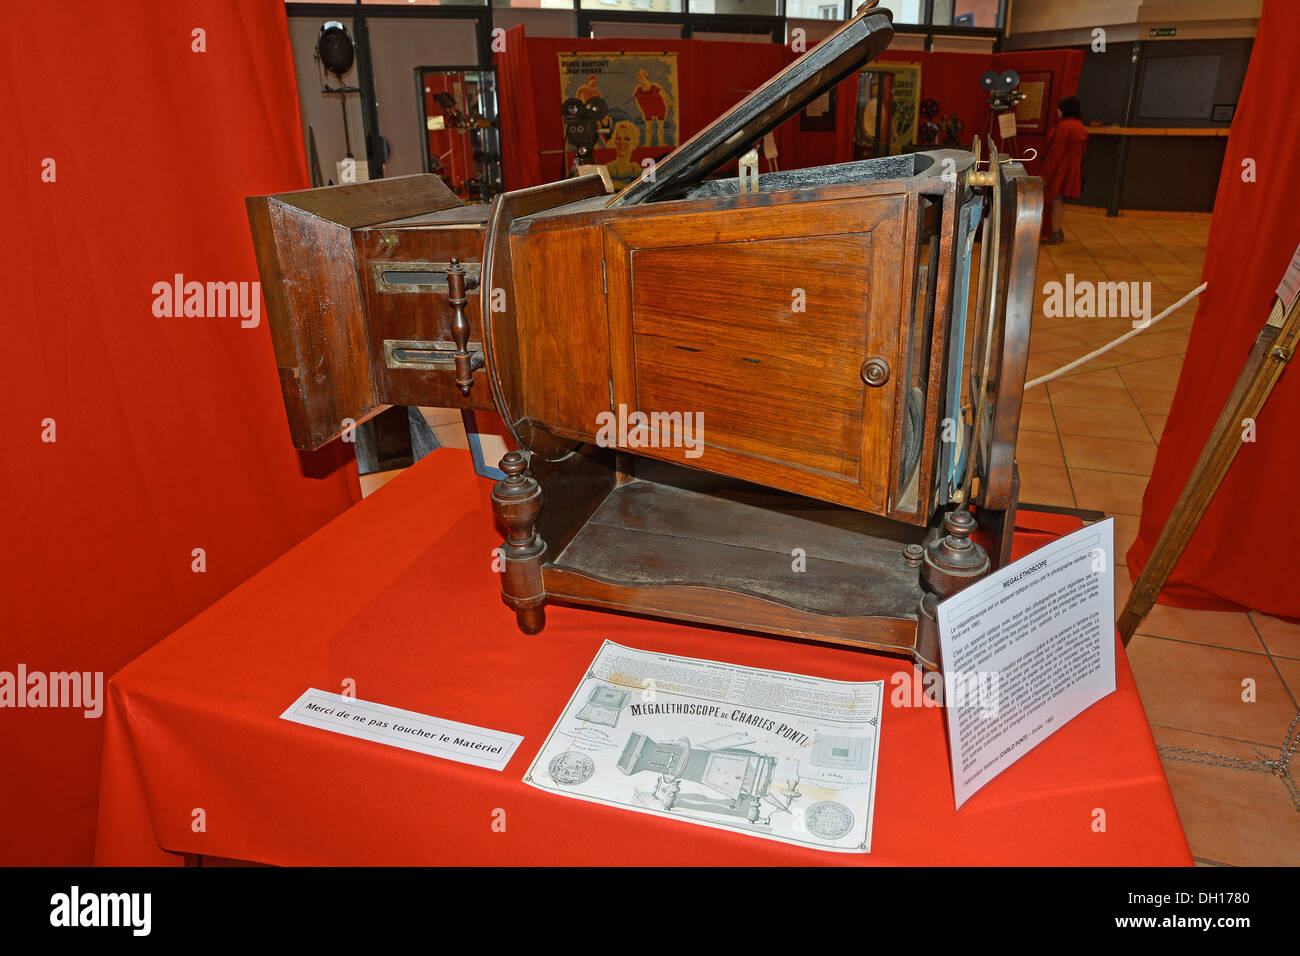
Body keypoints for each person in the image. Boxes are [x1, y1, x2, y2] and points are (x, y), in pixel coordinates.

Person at [1040, 95, 1088, 245]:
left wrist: (1046, 175)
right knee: (1059, 202)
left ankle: (1055, 232)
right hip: (1072, 169)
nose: (1057, 111)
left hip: (1060, 170)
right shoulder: (1079, 126)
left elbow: (1055, 153)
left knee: (1056, 200)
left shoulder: (1064, 127)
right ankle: (1057, 230)